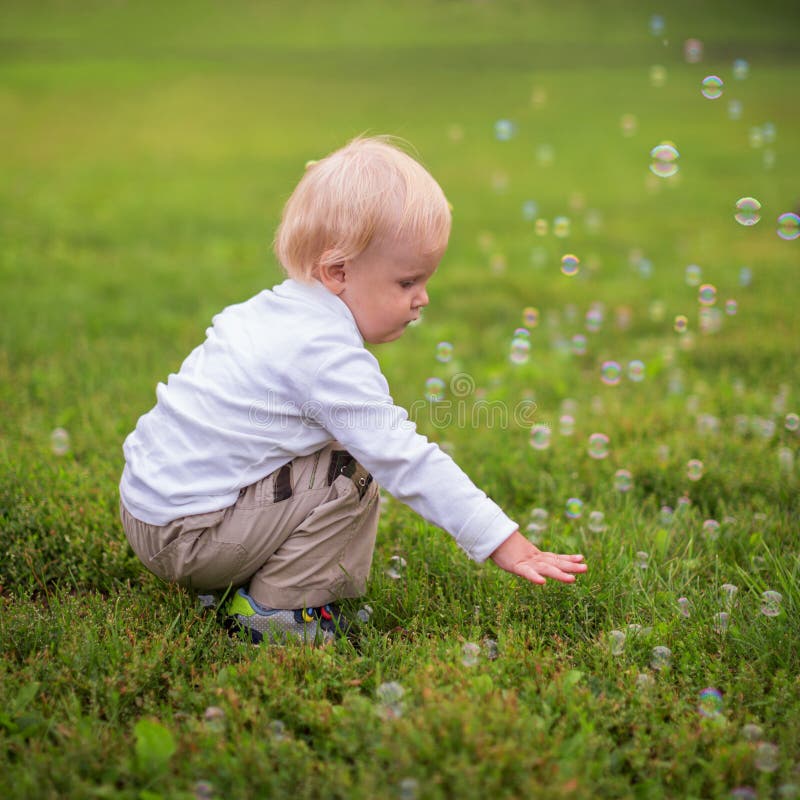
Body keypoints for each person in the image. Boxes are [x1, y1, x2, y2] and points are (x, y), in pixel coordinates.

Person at [119, 135, 587, 644]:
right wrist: (503, 540)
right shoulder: (324, 352)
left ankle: (245, 571)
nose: (422, 299)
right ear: (338, 271)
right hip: (192, 537)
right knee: (355, 467)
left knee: (340, 442)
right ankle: (277, 613)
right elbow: (404, 458)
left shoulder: (270, 311)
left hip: (149, 512)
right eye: (407, 282)